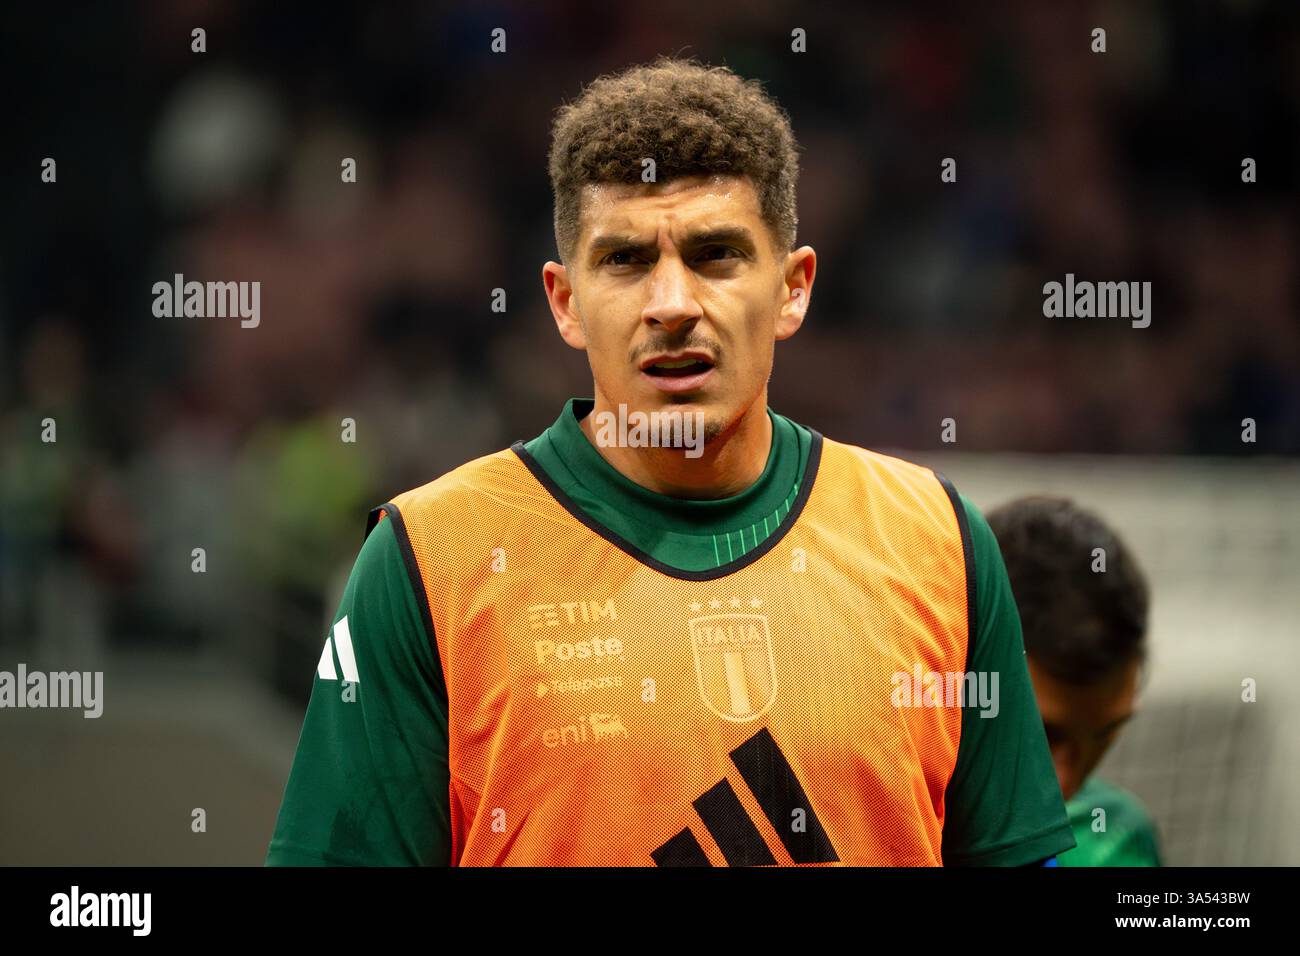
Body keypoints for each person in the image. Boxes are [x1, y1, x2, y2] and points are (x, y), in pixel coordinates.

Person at [266, 56, 1074, 866]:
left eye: (715, 254)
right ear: (565, 303)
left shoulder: (939, 542)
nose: (673, 305)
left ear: (793, 289)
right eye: (625, 260)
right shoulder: (426, 561)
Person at [986, 495, 1163, 866]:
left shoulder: (1113, 845)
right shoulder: (869, 822)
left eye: (1104, 734)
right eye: (1040, 735)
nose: (1064, 786)